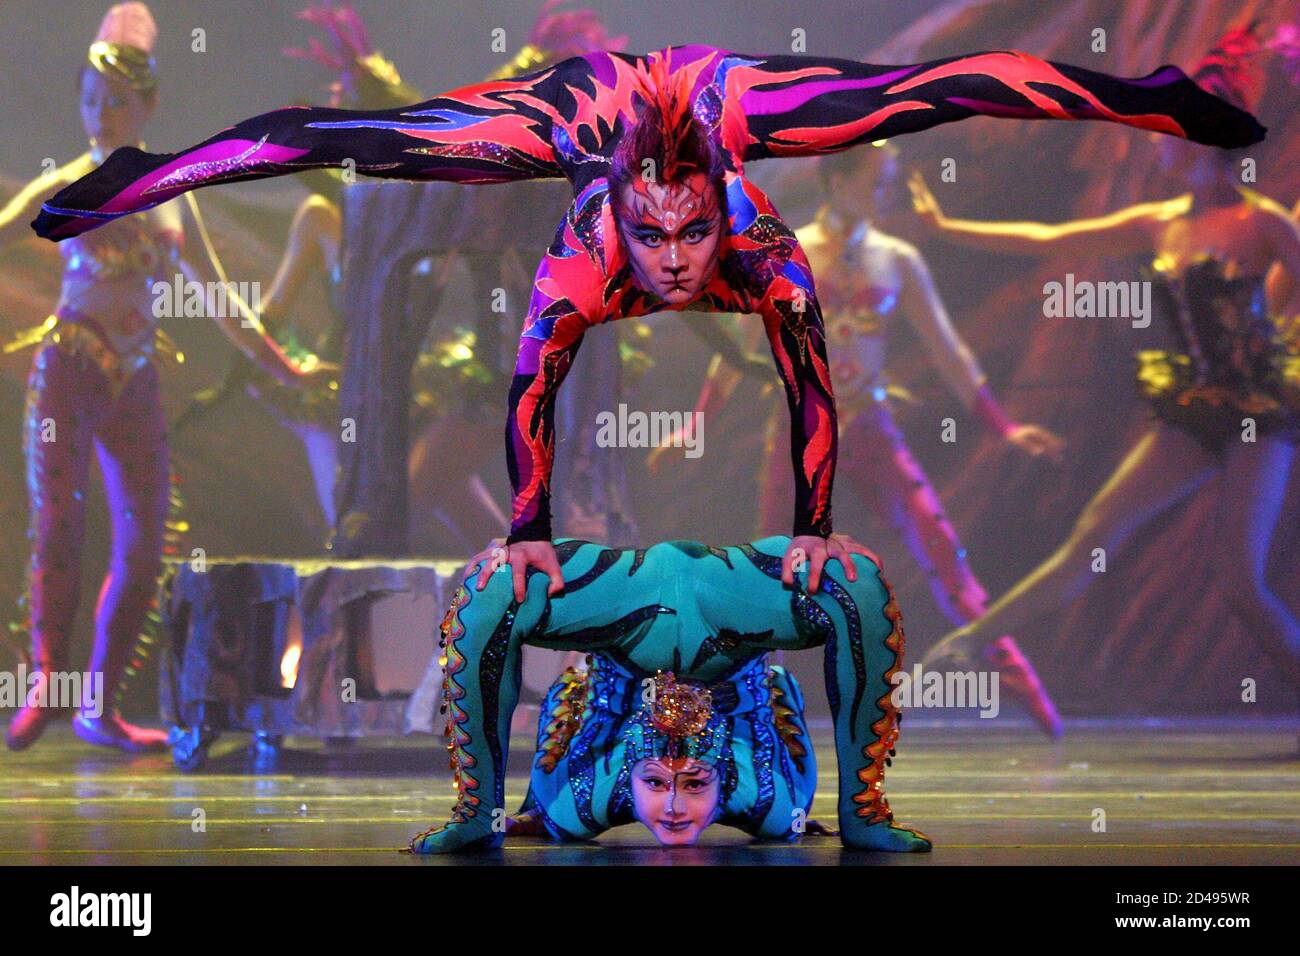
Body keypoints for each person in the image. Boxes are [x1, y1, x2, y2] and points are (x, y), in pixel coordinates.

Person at [31, 43, 1265, 609]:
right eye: (655, 245)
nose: (676, 271)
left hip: (717, 92)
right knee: (373, 144)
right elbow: (314, 134)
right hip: (581, 109)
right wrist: (144, 178)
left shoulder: (763, 223)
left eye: (692, 245)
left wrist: (1152, 106)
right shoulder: (567, 232)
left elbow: (963, 86)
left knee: (914, 102)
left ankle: (1155, 93)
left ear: (722, 213)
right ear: (616, 218)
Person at [910, 26, 1300, 691]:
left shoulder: (1264, 223)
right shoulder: (1160, 221)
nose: (1152, 142)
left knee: (1240, 582)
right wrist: (950, 230)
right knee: (1092, 538)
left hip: (1259, 416)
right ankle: (972, 641)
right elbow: (1052, 237)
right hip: (1195, 408)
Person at [0, 3, 329, 752]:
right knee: (57, 530)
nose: (100, 114)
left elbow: (219, 301)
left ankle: (100, 705)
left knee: (144, 547)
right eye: (89, 99)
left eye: (115, 101)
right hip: (69, 372)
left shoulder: (170, 191)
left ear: (147, 106)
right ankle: (46, 685)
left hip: (135, 382)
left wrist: (285, 364)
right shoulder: (66, 183)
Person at [660, 141, 1068, 735]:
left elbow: (947, 349)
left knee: (943, 552)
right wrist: (695, 425)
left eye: (891, 182)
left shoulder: (897, 258)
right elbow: (741, 352)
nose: (886, 195)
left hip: (870, 424)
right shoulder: (786, 253)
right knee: (773, 568)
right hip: (804, 428)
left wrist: (1002, 427)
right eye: (877, 181)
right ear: (838, 180)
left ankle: (1034, 701)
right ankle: (742, 715)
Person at [405, 536, 930, 853]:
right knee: (859, 588)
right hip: (723, 622)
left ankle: (863, 814)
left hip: (630, 620)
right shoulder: (769, 804)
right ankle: (477, 814)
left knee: (491, 586)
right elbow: (782, 691)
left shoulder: (579, 806)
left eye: (672, 785)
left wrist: (815, 527)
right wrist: (526, 530)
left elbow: (563, 704)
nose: (674, 808)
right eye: (679, 784)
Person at [504, 660, 826, 846]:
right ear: (629, 779)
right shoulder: (571, 809)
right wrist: (537, 814)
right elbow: (567, 687)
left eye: (695, 785)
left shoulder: (777, 806)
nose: (674, 808)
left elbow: (781, 681)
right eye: (656, 784)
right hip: (627, 690)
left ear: (722, 778)